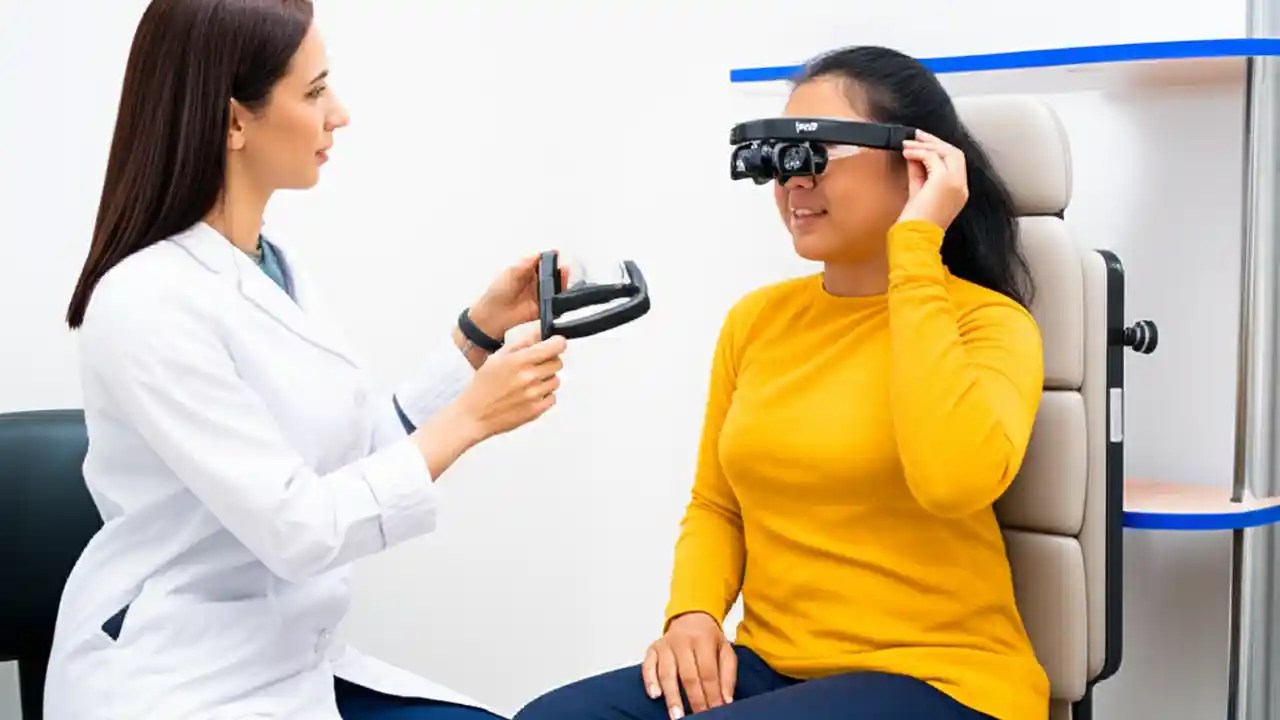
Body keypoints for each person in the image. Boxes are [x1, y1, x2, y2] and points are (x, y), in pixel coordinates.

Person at [44, 1, 567, 718]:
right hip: (178, 681)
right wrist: (471, 422)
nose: (339, 114)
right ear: (234, 121)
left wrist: (476, 336)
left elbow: (350, 458)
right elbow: (299, 526)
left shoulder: (270, 265)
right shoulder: (144, 302)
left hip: (285, 660)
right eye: (315, 91)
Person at [514, 45, 1047, 720]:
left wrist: (916, 248)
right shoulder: (758, 321)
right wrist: (693, 617)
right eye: (778, 157)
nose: (793, 182)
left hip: (942, 682)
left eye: (819, 155)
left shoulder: (989, 326)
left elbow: (952, 481)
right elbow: (717, 505)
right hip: (775, 670)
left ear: (915, 166)